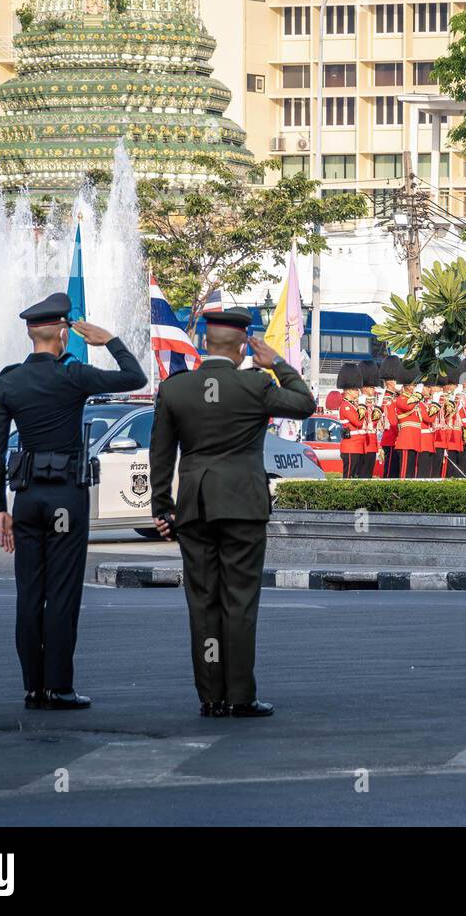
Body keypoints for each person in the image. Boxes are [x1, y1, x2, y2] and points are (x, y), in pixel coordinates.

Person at [149, 307, 316, 718]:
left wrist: (162, 509)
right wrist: (276, 363)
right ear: (244, 346)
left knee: (202, 602)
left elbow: (161, 454)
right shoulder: (255, 385)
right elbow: (305, 404)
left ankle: (211, 696)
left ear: (205, 343)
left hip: (195, 507)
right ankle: (240, 695)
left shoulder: (175, 389)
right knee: (239, 602)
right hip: (242, 505)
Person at [0, 292, 147, 710]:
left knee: (29, 593)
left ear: (29, 333)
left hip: (26, 500)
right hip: (64, 501)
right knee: (61, 593)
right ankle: (58, 687)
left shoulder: (8, 381)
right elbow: (135, 378)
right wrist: (109, 339)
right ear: (63, 332)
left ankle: (32, 687)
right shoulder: (73, 376)